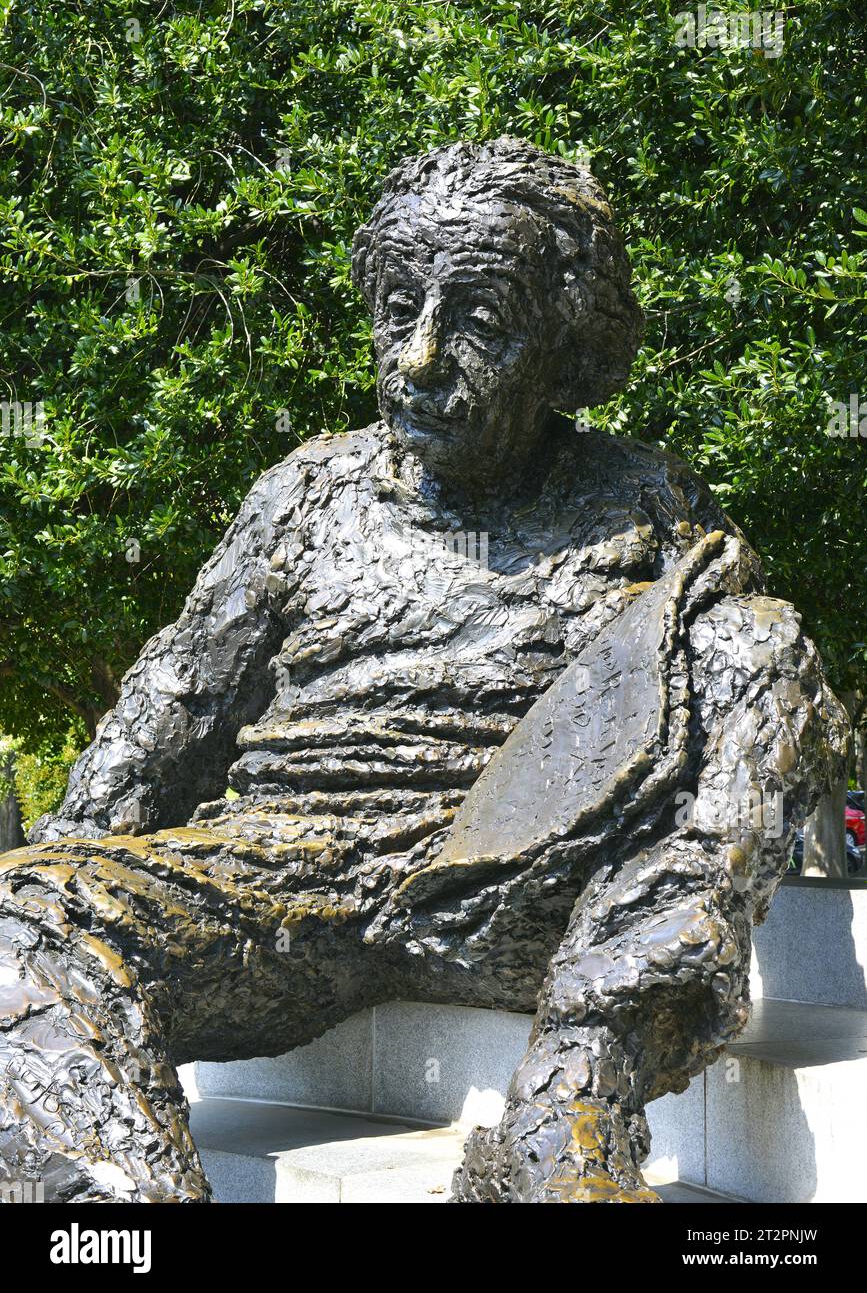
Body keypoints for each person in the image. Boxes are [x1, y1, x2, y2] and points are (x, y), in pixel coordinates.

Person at [0, 138, 847, 1203]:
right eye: (400, 308)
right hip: (280, 876)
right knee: (15, 919)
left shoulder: (642, 502)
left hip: (519, 892)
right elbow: (168, 711)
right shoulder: (309, 493)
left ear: (563, 344)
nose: (419, 357)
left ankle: (567, 1110)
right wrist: (61, 907)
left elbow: (762, 731)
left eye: (479, 322)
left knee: (755, 640)